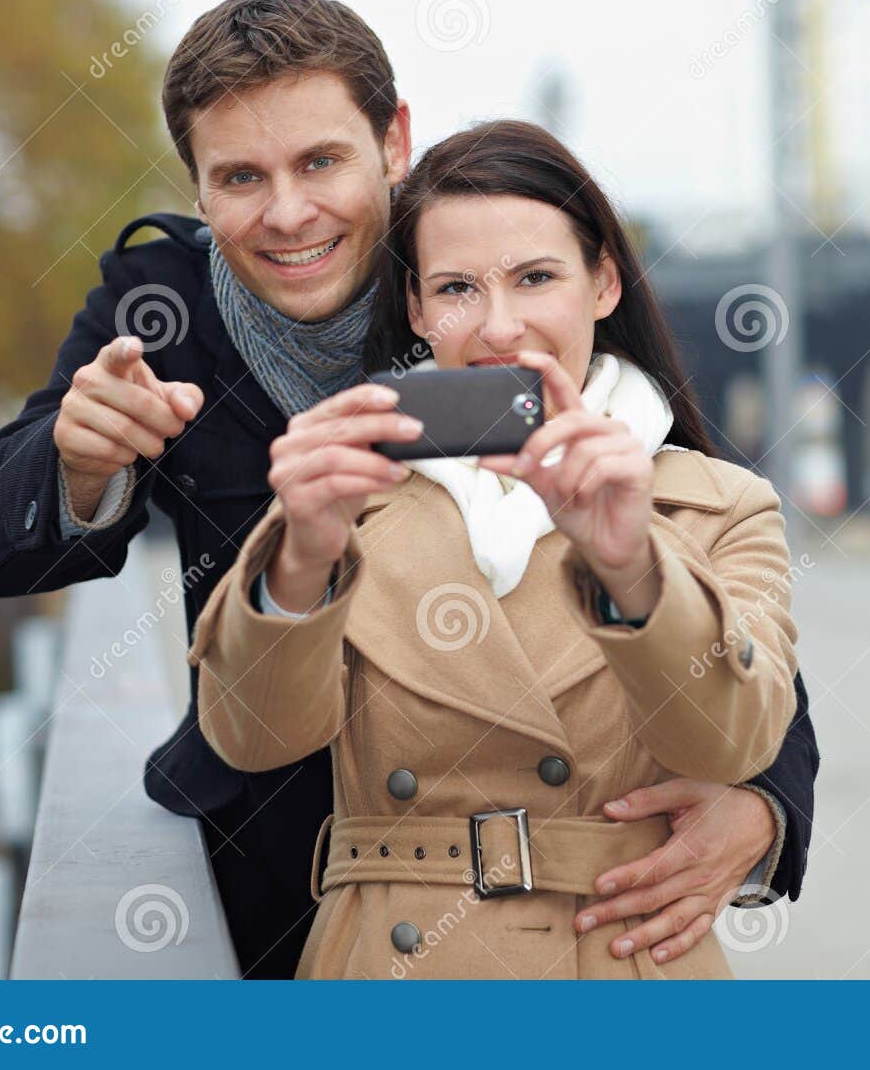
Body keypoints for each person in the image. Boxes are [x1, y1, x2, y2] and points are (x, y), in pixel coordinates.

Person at [0, 0, 820, 977]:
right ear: (196, 186)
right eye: (240, 175)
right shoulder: (164, 309)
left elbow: (712, 576)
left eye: (321, 160)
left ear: (393, 142)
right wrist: (78, 457)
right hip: (282, 850)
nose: (288, 213)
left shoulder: (481, 260)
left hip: (568, 886)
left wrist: (764, 800)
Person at [190, 119, 801, 977]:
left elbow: (733, 744)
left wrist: (630, 565)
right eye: (456, 288)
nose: (499, 326)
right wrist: (301, 559)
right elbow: (255, 738)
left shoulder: (718, 505)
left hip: (622, 963)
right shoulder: (342, 491)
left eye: (536, 278)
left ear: (603, 283)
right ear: (415, 309)